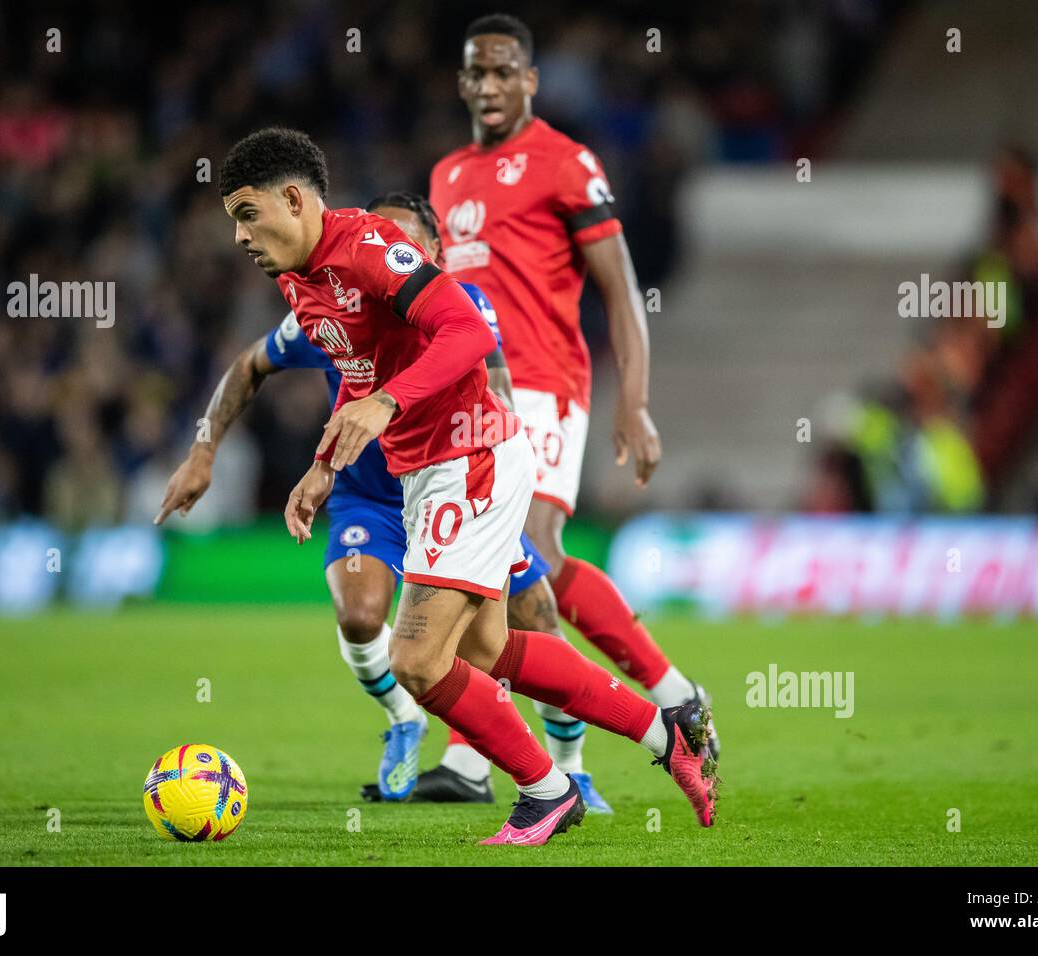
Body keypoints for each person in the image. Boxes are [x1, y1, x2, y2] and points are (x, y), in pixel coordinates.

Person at [213, 125, 715, 844]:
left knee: (417, 658)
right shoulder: (299, 278)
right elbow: (358, 373)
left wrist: (388, 403)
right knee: (489, 653)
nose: (238, 235)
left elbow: (468, 331)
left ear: (293, 199)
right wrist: (324, 465)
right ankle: (669, 736)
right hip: (427, 471)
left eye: (245, 213)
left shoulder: (367, 248)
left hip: (470, 458)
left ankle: (546, 791)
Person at [156, 190, 612, 812]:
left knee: (532, 619)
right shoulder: (329, 300)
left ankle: (570, 769)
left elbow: (498, 387)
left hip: (461, 488)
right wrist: (203, 451)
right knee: (362, 617)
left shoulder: (464, 307)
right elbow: (248, 366)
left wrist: (505, 478)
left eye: (406, 242)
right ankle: (406, 720)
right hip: (372, 501)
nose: (392, 251)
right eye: (382, 237)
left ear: (431, 253)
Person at [430, 14, 718, 754]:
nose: (489, 87)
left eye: (504, 73)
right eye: (477, 73)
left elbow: (622, 289)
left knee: (530, 552)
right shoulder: (447, 175)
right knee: (502, 569)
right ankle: (483, 757)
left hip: (544, 386)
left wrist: (637, 401)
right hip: (472, 398)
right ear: (462, 83)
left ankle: (583, 755)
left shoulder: (565, 162)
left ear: (530, 79)